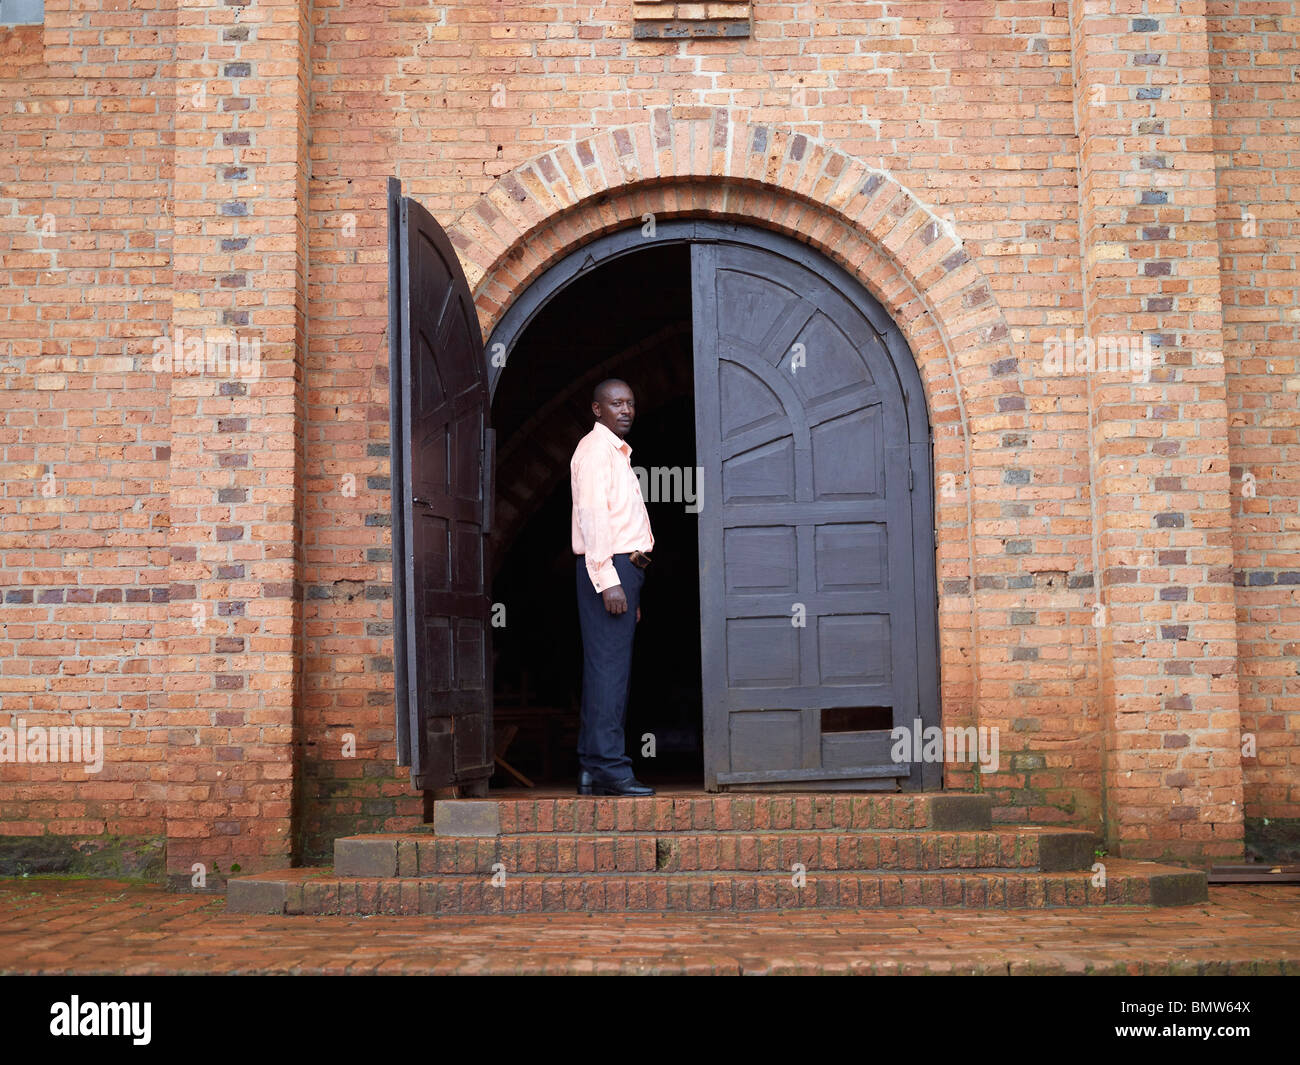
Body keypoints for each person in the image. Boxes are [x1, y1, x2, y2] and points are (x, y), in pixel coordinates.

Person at [571, 378, 656, 796]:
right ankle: (609, 767)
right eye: (616, 403)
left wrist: (626, 587)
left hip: (623, 571)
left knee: (606, 671)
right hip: (609, 568)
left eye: (630, 403)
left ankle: (592, 766)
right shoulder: (595, 452)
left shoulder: (615, 453)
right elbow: (593, 517)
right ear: (597, 409)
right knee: (609, 674)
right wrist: (609, 581)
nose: (625, 410)